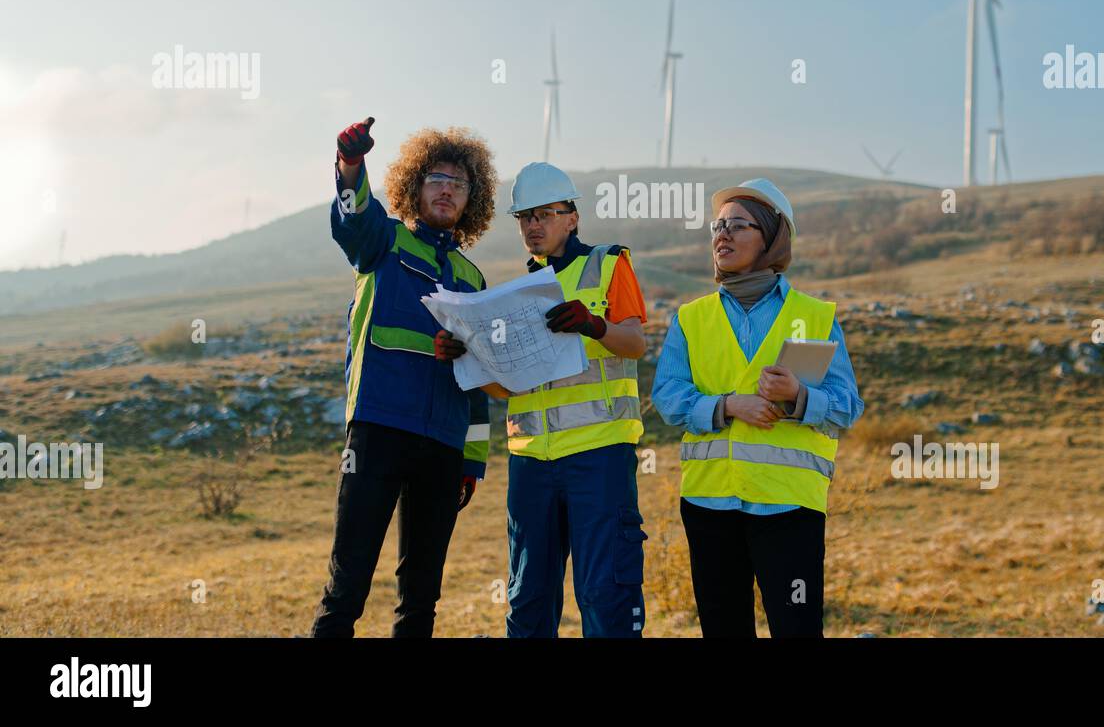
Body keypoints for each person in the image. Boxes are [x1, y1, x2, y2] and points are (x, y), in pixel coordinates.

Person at [439, 162, 649, 637]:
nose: (533, 226)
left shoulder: (609, 264)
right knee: (528, 595)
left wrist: (593, 325)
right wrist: (466, 358)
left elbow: (635, 343)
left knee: (604, 592)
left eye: (544, 215)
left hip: (599, 455)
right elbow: (507, 388)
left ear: (572, 217)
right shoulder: (515, 293)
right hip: (531, 462)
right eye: (524, 218)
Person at [651, 178, 864, 637]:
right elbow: (667, 398)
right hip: (709, 504)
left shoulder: (816, 317)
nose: (721, 235)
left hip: (788, 506)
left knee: (797, 628)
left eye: (737, 225)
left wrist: (799, 396)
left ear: (770, 236)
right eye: (717, 226)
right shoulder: (691, 318)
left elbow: (848, 406)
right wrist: (728, 406)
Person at [309, 117, 497, 637]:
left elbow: (478, 381)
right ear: (415, 186)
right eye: (435, 178)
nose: (446, 189)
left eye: (458, 183)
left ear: (470, 199)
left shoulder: (474, 279)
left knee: (421, 600)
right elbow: (353, 219)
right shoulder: (383, 243)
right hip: (378, 429)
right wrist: (350, 164)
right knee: (347, 586)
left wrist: (472, 462)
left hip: (442, 446)